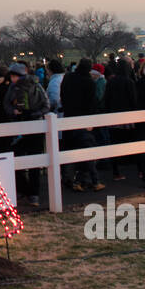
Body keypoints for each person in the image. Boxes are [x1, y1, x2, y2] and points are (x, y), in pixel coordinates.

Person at [4, 62, 49, 206]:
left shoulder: (33, 86)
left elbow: (46, 105)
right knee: (17, 156)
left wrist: (32, 114)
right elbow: (7, 105)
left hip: (32, 125)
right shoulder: (17, 87)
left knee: (32, 159)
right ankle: (29, 191)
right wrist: (14, 111)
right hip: (23, 125)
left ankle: (32, 192)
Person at [60, 59, 102, 192]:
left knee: (69, 149)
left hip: (68, 117)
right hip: (82, 119)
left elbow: (63, 94)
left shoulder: (68, 77)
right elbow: (91, 103)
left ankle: (70, 179)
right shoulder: (89, 82)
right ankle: (88, 181)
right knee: (85, 150)